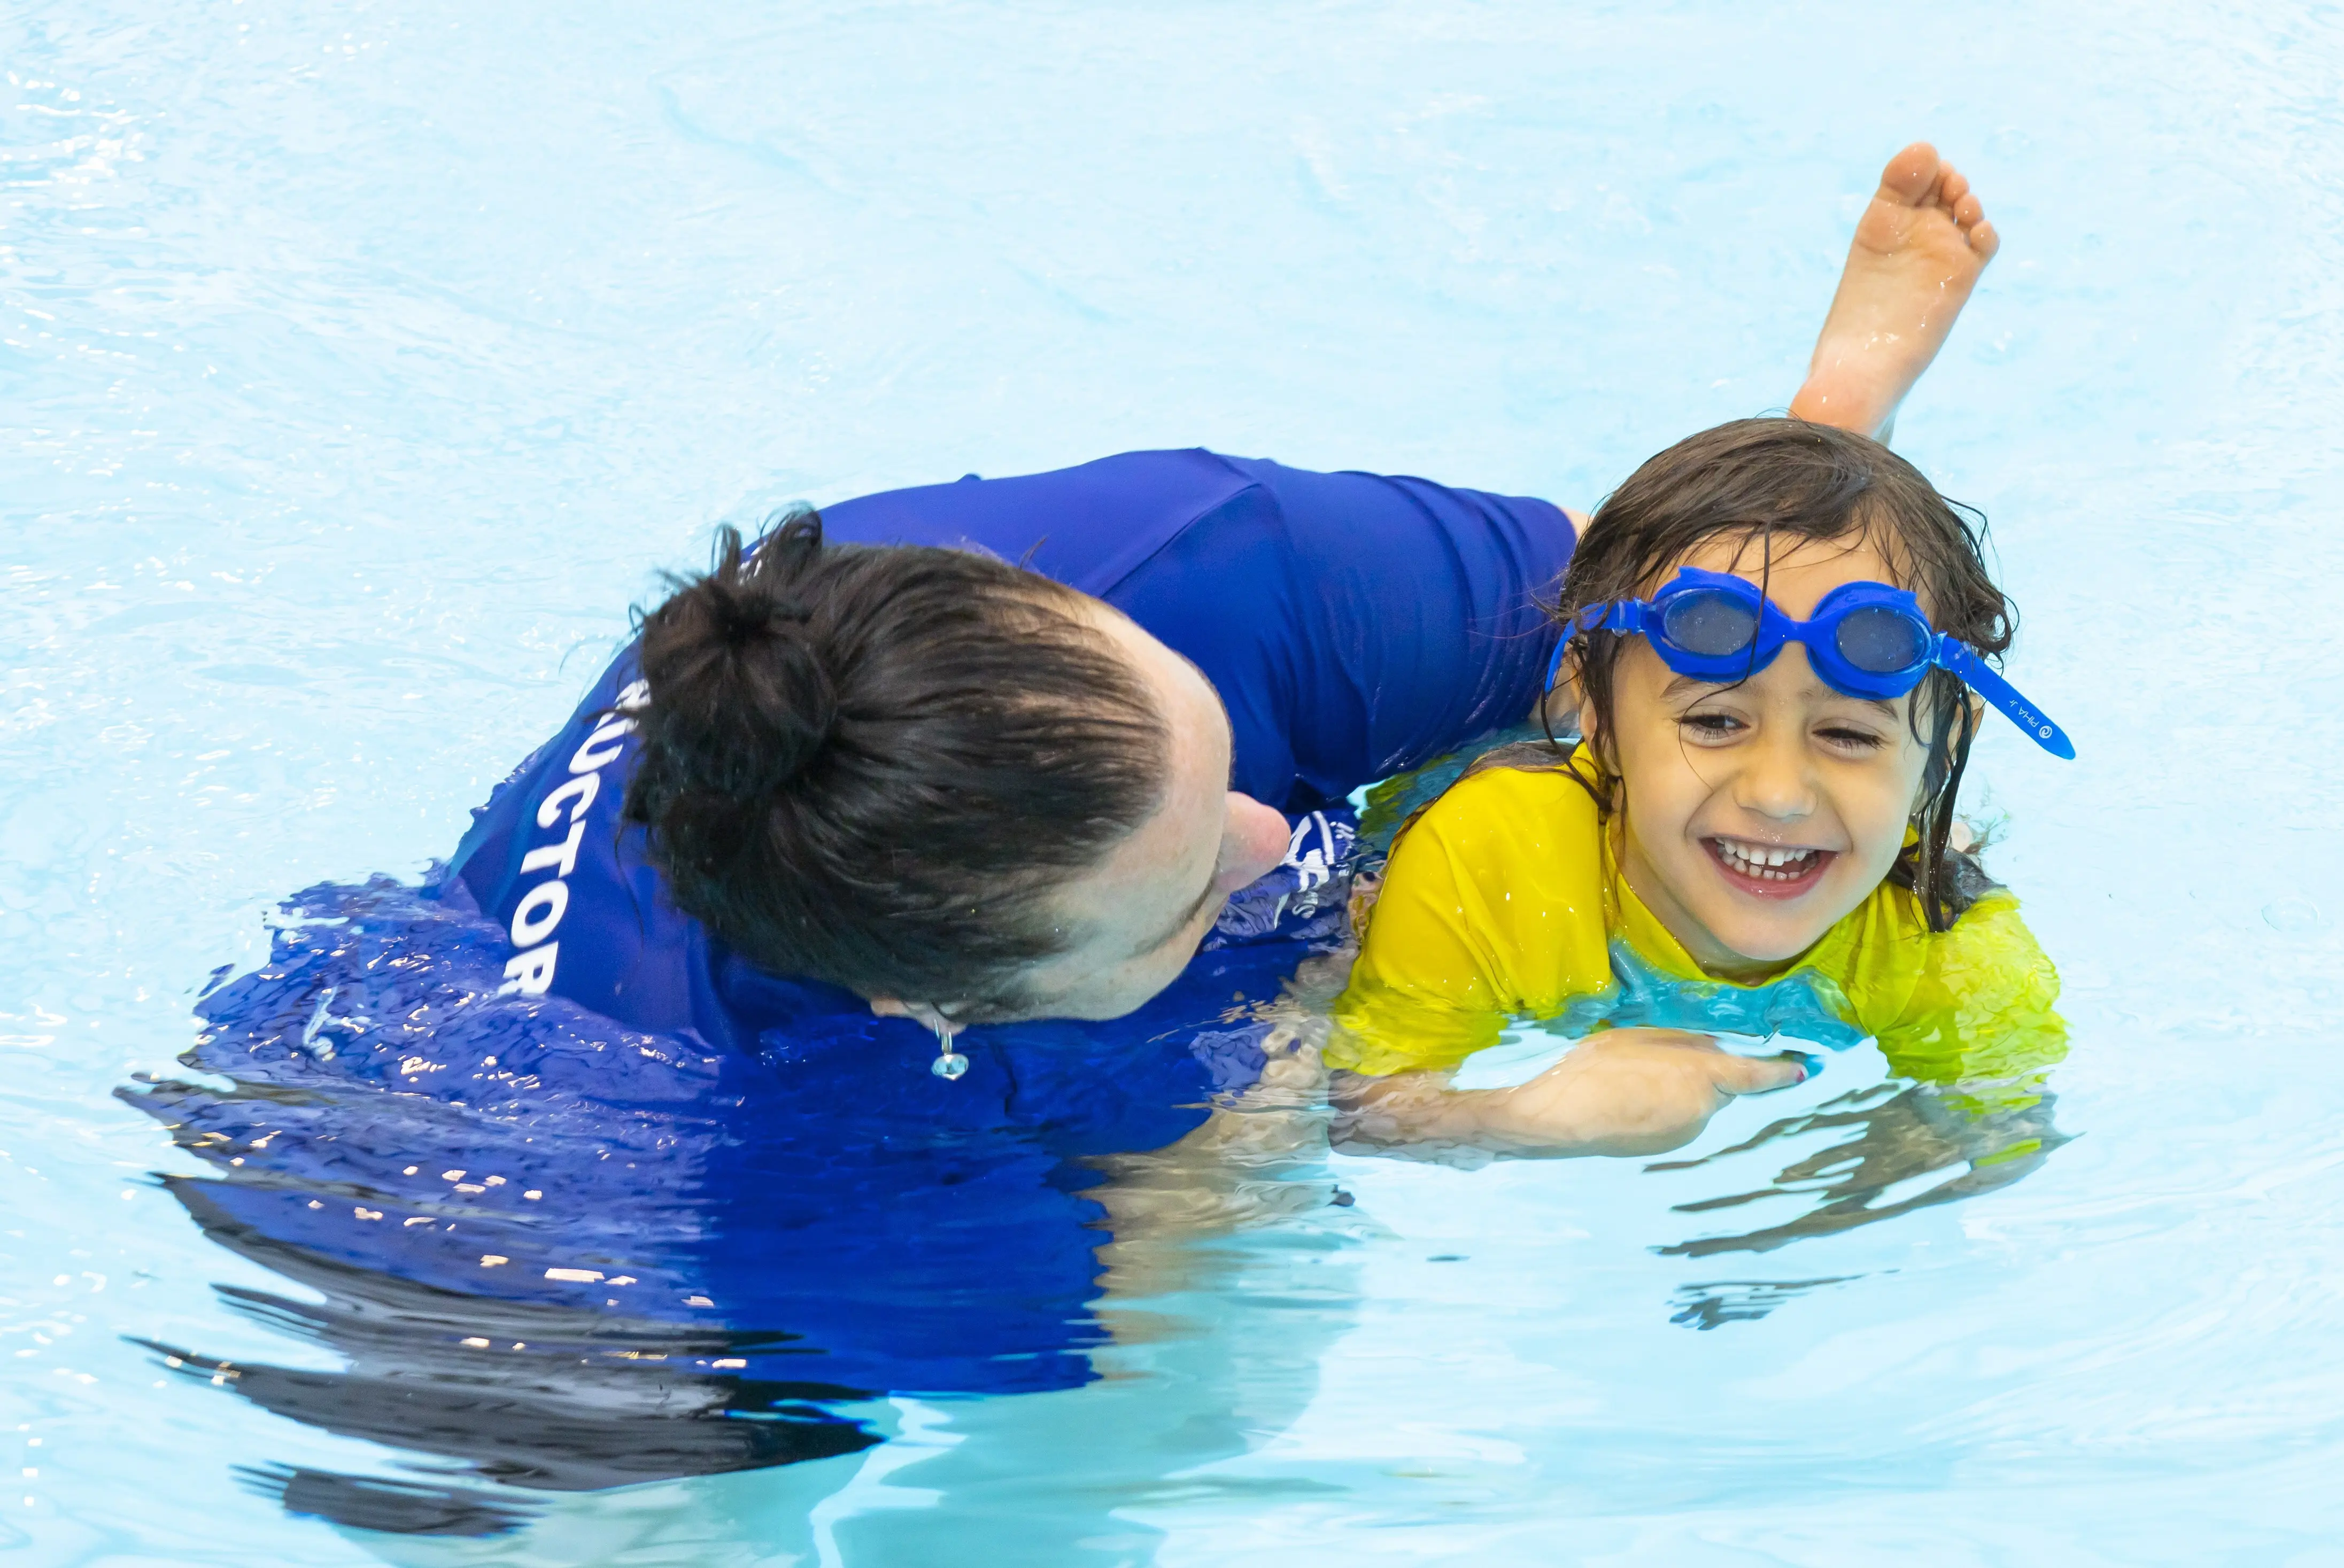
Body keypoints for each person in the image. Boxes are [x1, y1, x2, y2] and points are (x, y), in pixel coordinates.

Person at [448, 142, 2003, 1054]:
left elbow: (1630, 604)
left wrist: (1831, 439)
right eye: (1190, 893)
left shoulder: (1221, 563)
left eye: (1225, 771)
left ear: (1093, 622)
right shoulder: (743, 1113)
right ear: (930, 1012)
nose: (1282, 840)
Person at [1325, 417, 2071, 1161]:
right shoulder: (1490, 864)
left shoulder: (1945, 948)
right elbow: (1363, 1109)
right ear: (1596, 711)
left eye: (1848, 735)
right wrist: (1520, 1118)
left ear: (1948, 746)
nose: (1779, 793)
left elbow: (2002, 1141)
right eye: (1716, 721)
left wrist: (1806, 1212)